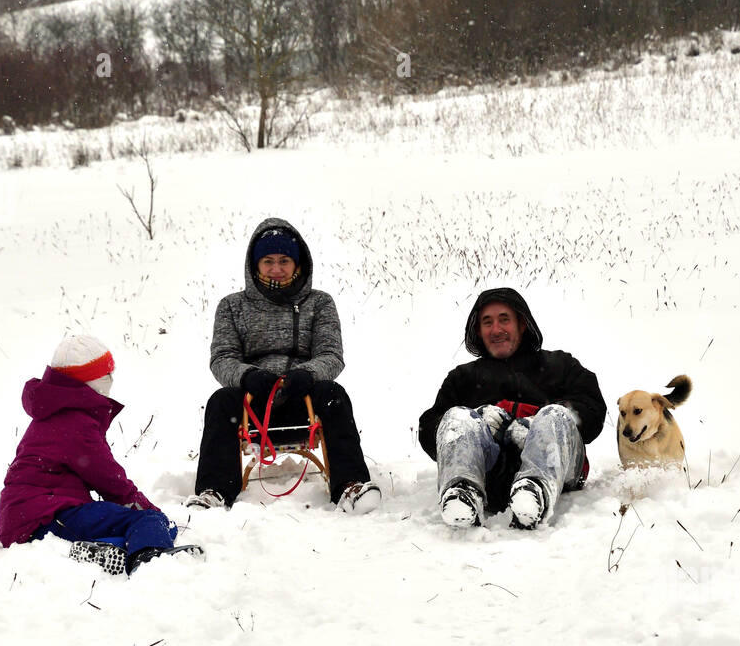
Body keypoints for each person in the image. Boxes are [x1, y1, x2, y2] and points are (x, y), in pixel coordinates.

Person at [188, 218, 381, 513]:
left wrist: (308, 374)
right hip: (253, 403)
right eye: (268, 261)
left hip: (302, 396)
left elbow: (331, 354)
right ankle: (214, 491)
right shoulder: (231, 306)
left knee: (334, 394)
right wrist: (248, 375)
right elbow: (222, 357)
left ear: (297, 264)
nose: (276, 268)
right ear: (255, 265)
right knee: (220, 401)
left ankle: (350, 485)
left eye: (284, 260)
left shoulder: (320, 303)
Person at [418, 288, 606, 530]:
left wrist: (537, 425)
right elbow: (429, 429)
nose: (496, 330)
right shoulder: (462, 378)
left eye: (504, 319)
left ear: (522, 323)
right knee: (456, 417)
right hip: (490, 475)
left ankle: (534, 492)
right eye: (487, 322)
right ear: (478, 330)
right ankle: (462, 494)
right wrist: (478, 421)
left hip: (559, 469)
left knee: (555, 415)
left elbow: (592, 412)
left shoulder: (560, 365)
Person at [0, 335, 188, 575]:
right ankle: (148, 558)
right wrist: (150, 512)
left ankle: (98, 551)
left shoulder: (55, 413)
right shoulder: (75, 422)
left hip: (25, 520)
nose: (111, 381)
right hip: (48, 517)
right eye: (107, 375)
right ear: (88, 382)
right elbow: (111, 482)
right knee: (152, 524)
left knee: (130, 526)